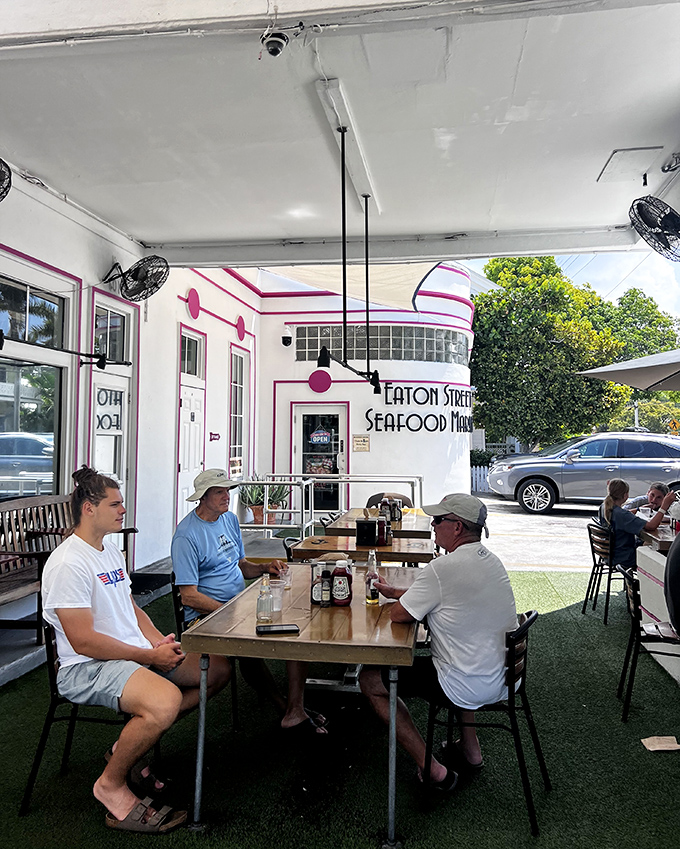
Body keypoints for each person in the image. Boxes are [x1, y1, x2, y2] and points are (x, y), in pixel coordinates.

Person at [42, 466, 230, 833]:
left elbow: (131, 607)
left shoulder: (108, 551)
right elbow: (83, 642)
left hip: (131, 653)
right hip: (87, 666)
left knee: (216, 670)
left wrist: (158, 640)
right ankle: (110, 785)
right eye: (115, 504)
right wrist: (147, 656)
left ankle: (127, 747)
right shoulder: (68, 563)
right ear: (88, 509)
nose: (123, 510)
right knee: (165, 701)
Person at [359, 493, 517, 791]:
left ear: (457, 527)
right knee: (460, 655)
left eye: (439, 520)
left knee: (370, 679)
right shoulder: (490, 561)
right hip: (503, 676)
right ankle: (471, 751)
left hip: (465, 682)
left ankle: (432, 769)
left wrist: (397, 598)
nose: (432, 524)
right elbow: (449, 596)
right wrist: (397, 590)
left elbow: (398, 616)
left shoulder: (442, 569)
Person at [171, 468, 326, 736]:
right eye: (219, 491)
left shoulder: (229, 520)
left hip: (239, 603)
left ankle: (292, 708)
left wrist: (267, 568)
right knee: (273, 641)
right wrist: (230, 611)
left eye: (227, 490)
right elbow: (189, 596)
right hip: (207, 616)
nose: (226, 496)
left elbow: (241, 565)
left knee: (297, 628)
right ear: (202, 497)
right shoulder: (186, 535)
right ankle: (290, 710)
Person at [599, 478, 676, 568]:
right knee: (659, 554)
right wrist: (663, 507)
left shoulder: (604, 507)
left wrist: (639, 509)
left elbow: (625, 515)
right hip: (624, 557)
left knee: (646, 544)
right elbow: (651, 526)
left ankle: (630, 581)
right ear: (625, 495)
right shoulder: (622, 515)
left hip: (610, 553)